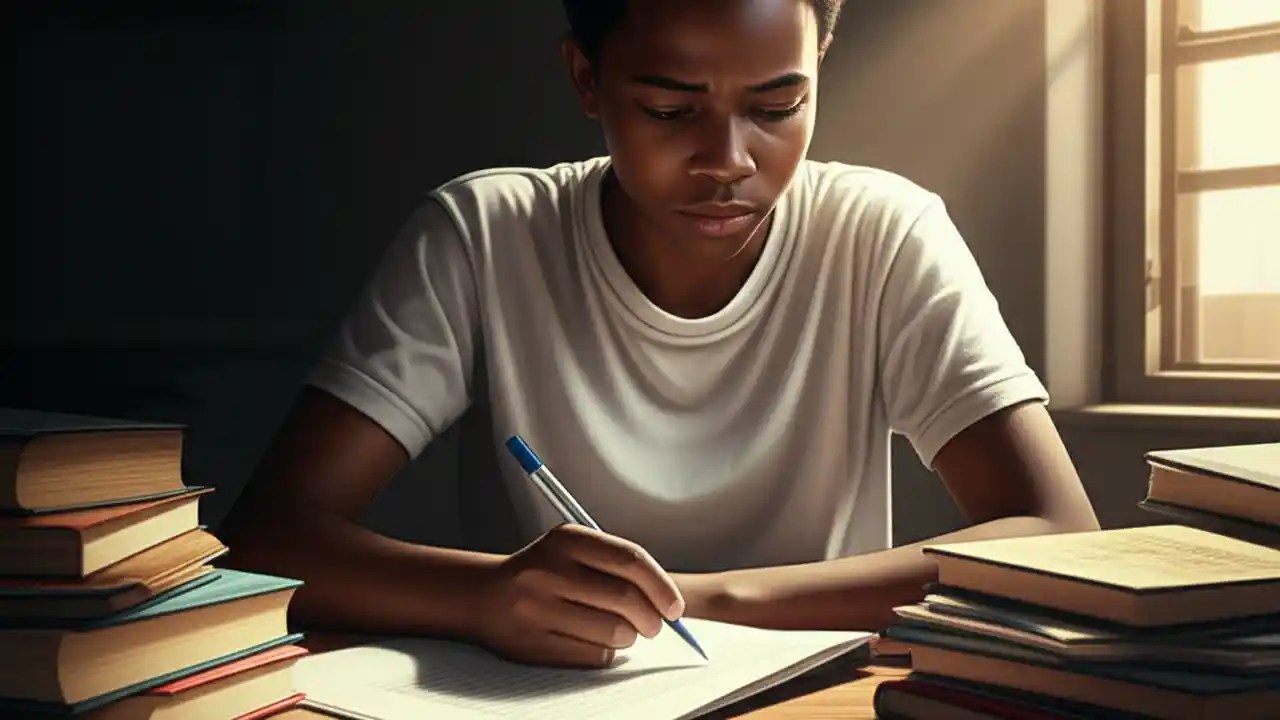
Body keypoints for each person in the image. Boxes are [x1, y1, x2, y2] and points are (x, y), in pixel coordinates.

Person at [219, 0, 1100, 670]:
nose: (729, 161)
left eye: (779, 105)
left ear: (819, 66)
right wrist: (483, 595)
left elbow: (1057, 533)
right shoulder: (486, 235)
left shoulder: (883, 234)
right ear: (586, 78)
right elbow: (265, 539)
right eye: (671, 111)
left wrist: (709, 600)